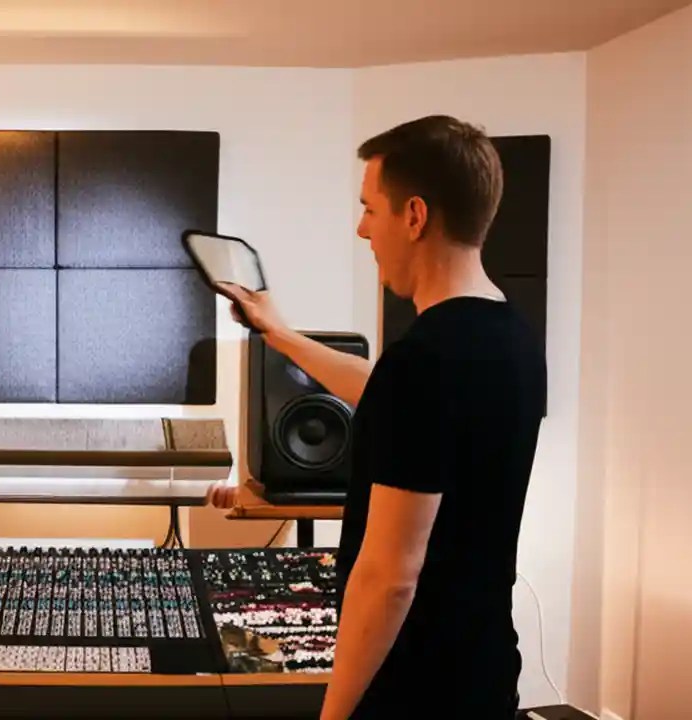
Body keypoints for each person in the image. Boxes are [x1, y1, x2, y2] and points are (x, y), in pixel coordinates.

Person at [211, 114, 547, 718]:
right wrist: (280, 335)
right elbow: (390, 394)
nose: (362, 229)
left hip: (414, 689)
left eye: (370, 208)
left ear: (414, 216)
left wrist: (334, 714)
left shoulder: (424, 362)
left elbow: (390, 576)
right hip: (485, 672)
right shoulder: (511, 335)